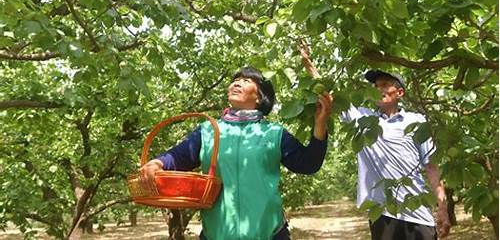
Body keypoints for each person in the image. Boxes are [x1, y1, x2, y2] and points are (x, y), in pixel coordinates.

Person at [139, 67, 333, 240]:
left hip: (269, 234)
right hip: (216, 234)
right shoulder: (208, 131)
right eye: (235, 80)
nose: (237, 83)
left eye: (247, 80)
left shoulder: (274, 133)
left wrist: (320, 124)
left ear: (259, 97)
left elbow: (308, 164)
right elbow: (180, 156)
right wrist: (158, 163)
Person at [300, 46, 450, 240]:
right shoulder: (363, 119)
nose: (379, 89)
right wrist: (307, 63)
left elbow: (431, 167)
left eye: (385, 84)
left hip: (418, 215)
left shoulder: (417, 121)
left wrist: (443, 209)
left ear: (400, 92)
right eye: (376, 86)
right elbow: (328, 94)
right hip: (383, 215)